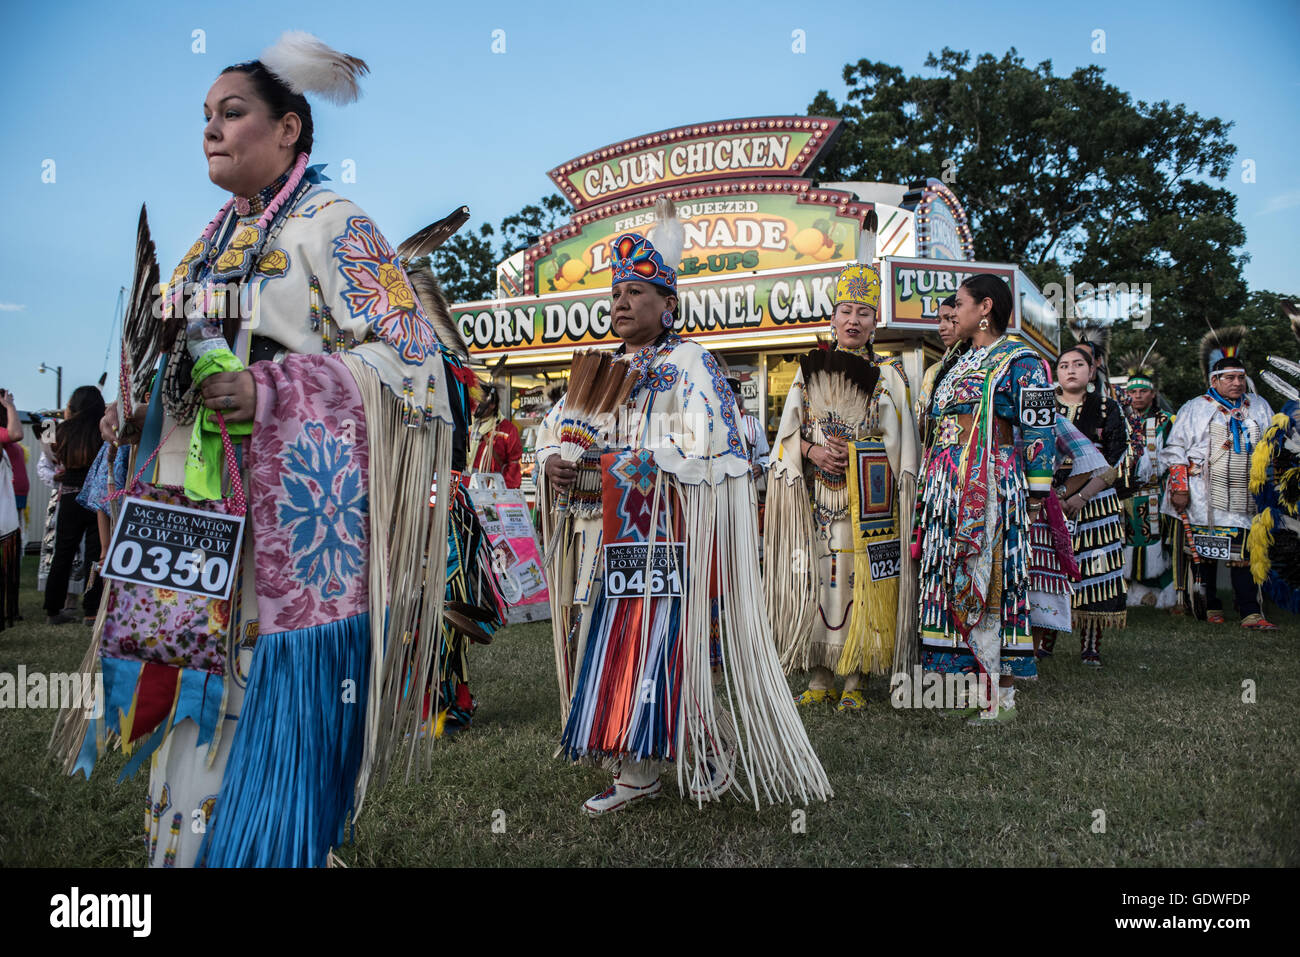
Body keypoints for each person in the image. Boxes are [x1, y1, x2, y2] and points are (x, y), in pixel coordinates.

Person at [54, 32, 464, 867]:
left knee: (263, 733)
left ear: (289, 131)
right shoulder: (205, 248)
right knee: (194, 722)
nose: (210, 127)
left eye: (232, 112)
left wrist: (273, 390)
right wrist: (137, 419)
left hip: (288, 540)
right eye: (204, 115)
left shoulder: (334, 225)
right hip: (191, 530)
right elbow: (180, 367)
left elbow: (414, 359)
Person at [537, 206, 830, 815]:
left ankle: (704, 747)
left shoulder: (692, 363)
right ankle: (636, 769)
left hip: (672, 534)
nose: (619, 303)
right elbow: (555, 429)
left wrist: (646, 457)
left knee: (671, 644)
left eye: (635, 292)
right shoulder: (601, 370)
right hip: (609, 535)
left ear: (667, 303)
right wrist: (552, 462)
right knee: (610, 639)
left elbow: (726, 442)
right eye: (614, 292)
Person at [766, 263, 920, 712]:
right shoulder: (806, 373)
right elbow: (786, 436)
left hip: (869, 504)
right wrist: (813, 453)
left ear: (876, 324)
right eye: (845, 311)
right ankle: (819, 673)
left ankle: (853, 679)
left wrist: (860, 456)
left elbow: (903, 446)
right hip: (819, 500)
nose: (854, 320)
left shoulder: (891, 377)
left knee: (861, 583)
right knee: (817, 580)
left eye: (864, 313)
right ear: (831, 319)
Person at [916, 274, 1056, 722]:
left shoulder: (1021, 361)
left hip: (991, 484)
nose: (951, 313)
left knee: (994, 574)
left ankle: (1004, 695)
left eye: (958, 304)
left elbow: (1040, 430)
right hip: (948, 483)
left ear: (985, 307)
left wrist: (1036, 493)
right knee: (951, 572)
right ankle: (971, 685)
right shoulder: (955, 361)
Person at [1162, 327, 1277, 628]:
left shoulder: (1260, 406)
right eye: (1230, 378)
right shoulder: (1195, 408)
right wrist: (1179, 489)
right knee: (1207, 550)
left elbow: (1273, 443)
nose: (1237, 383)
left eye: (1241, 377)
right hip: (1203, 493)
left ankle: (1250, 610)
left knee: (1246, 551)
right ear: (1215, 381)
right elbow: (1175, 450)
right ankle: (1210, 604)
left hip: (1246, 490)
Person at [1037, 346, 1131, 666]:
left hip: (1095, 500)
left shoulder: (1107, 408)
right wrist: (1057, 494)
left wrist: (1080, 496)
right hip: (1048, 497)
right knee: (1048, 566)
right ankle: (1044, 637)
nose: (1071, 370)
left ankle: (1090, 645)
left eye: (1079, 364)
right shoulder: (1044, 405)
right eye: (1064, 365)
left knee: (1093, 569)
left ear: (1092, 372)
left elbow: (1116, 459)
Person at [42, 386, 106, 626]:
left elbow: (48, 454)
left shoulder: (60, 430)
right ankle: (92, 611)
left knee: (63, 553)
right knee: (94, 554)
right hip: (95, 497)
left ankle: (53, 609)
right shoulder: (102, 429)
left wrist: (55, 419)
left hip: (68, 496)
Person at [1118, 352, 1176, 607]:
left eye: (1143, 391)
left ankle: (1166, 594)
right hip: (1126, 493)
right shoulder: (1119, 420)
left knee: (1160, 540)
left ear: (1153, 394)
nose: (1138, 396)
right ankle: (1133, 593)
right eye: (1133, 391)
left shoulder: (1166, 421)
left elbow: (1173, 455)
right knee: (1128, 539)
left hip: (1158, 492)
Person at [469, 380, 524, 488]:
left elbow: (513, 466)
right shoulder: (468, 427)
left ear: (492, 405)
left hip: (494, 493)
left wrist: (505, 494)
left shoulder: (507, 430)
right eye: (475, 400)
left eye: (480, 400)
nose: (476, 404)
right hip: (468, 490)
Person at [1, 390, 25, 628]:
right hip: (5, 502)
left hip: (14, 499)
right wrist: (9, 406)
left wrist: (10, 408)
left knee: (14, 556)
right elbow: (16, 433)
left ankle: (9, 608)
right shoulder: (4, 433)